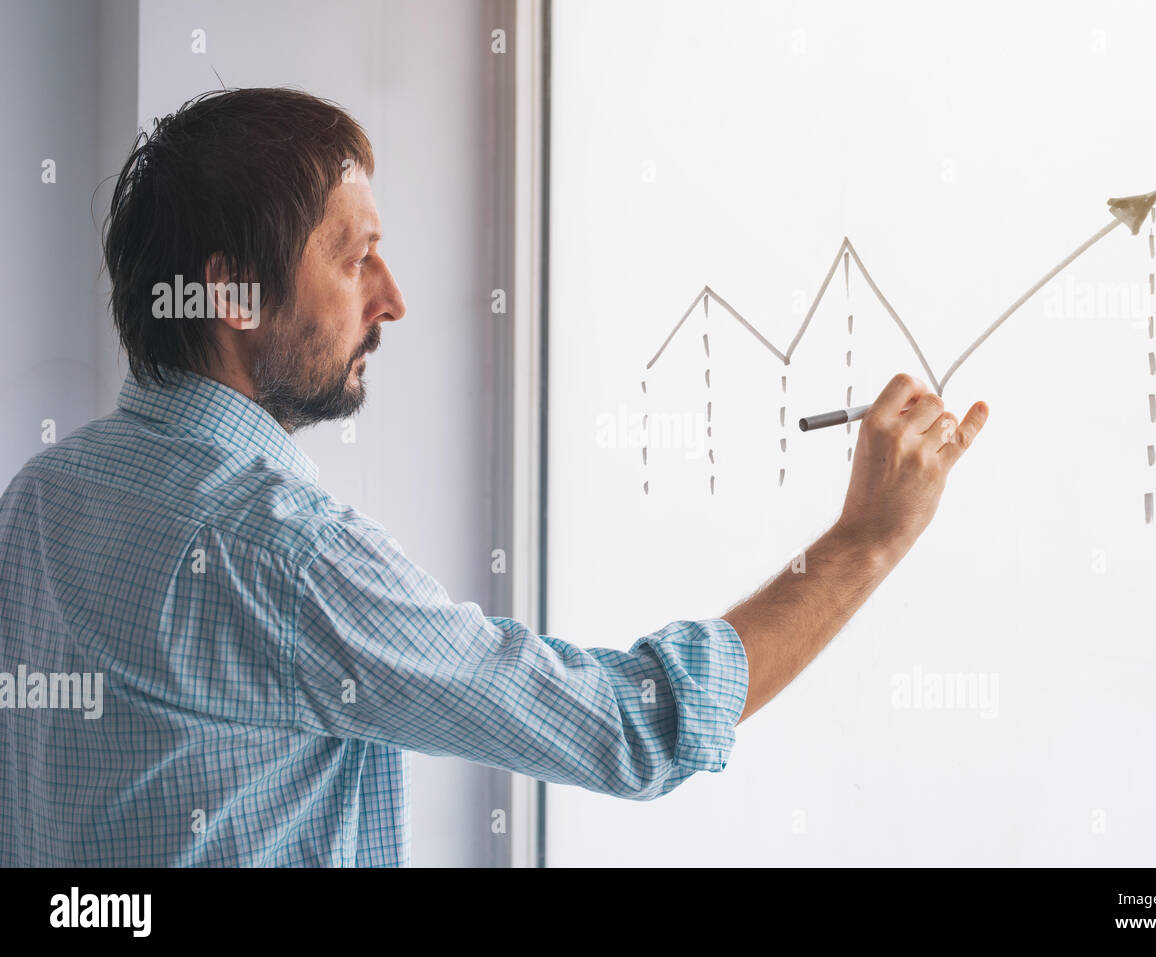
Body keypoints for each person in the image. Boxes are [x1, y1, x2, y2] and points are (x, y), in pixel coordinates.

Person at [0, 87, 987, 866]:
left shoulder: (43, 497)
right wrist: (868, 539)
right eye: (358, 260)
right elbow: (628, 729)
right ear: (231, 293)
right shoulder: (284, 555)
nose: (392, 298)